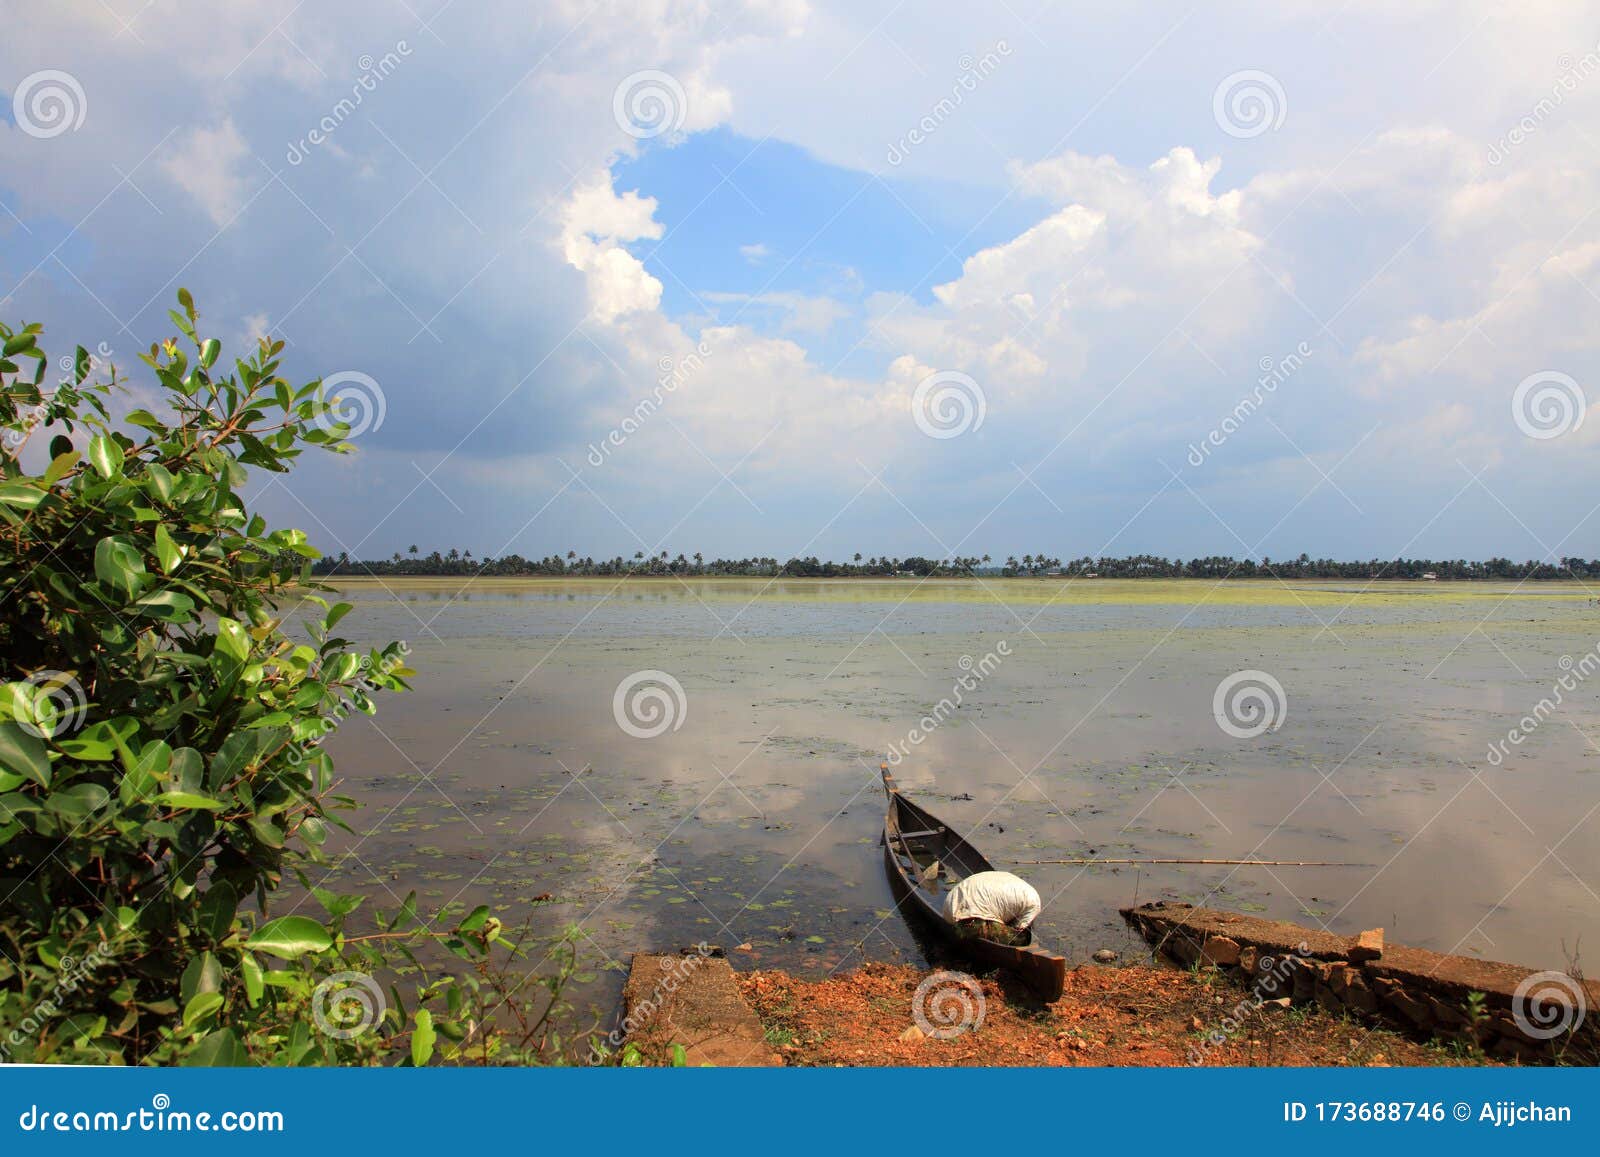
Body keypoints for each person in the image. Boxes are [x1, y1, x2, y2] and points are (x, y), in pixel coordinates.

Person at [942, 870, 1042, 946]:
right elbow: (1019, 929)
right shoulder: (1033, 904)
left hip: (949, 904)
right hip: (970, 913)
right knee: (1015, 939)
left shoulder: (1025, 893)